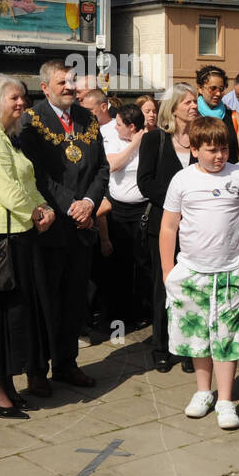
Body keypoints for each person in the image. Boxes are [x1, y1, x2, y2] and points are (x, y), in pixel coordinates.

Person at [161, 116, 239, 430]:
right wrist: (168, 272)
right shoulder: (182, 180)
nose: (219, 156)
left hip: (233, 270)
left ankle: (225, 400)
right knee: (198, 336)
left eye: (223, 149)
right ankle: (203, 392)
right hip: (193, 271)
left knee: (228, 337)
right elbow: (169, 226)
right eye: (211, 150)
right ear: (194, 150)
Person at [0, 75, 54, 418]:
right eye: (15, 98)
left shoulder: (5, 136)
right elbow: (5, 188)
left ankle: (7, 383)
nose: (22, 104)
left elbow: (25, 182)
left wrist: (44, 208)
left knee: (14, 315)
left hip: (17, 234)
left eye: (23, 98)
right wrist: (35, 212)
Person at [19, 60, 109, 392]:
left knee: (74, 301)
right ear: (45, 87)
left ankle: (66, 364)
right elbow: (36, 174)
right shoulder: (31, 122)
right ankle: (37, 370)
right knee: (45, 301)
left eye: (72, 81)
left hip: (82, 227)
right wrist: (71, 203)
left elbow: (102, 168)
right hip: (49, 226)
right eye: (62, 83)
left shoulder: (88, 118)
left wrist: (89, 203)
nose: (69, 88)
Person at [138, 82, 200, 373]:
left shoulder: (202, 139)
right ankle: (161, 346)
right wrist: (177, 202)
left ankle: (189, 347)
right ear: (173, 107)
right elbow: (145, 182)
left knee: (192, 287)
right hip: (164, 225)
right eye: (187, 102)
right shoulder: (155, 140)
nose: (193, 106)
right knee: (164, 285)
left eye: (195, 101)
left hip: (198, 227)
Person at [100, 103, 150, 332]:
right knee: (119, 265)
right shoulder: (114, 139)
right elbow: (111, 165)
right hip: (117, 210)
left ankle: (141, 312)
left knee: (141, 265)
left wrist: (143, 141)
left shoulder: (152, 140)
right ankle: (117, 315)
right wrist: (135, 143)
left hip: (142, 211)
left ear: (131, 126)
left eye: (119, 124)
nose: (115, 127)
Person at [195, 65, 239, 161]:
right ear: (200, 89)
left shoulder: (234, 117)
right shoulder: (192, 116)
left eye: (221, 89)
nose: (218, 93)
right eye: (213, 88)